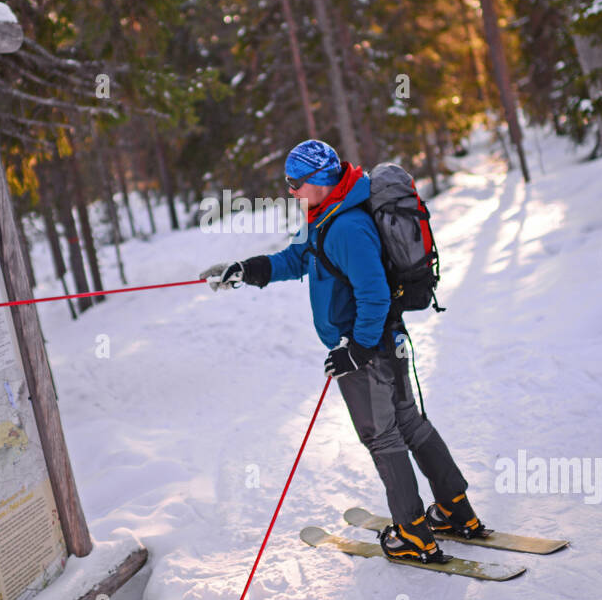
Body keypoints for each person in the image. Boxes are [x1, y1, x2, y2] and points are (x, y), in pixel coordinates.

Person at [201, 139, 481, 563]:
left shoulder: (346, 226)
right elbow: (299, 258)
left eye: (295, 182)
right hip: (385, 342)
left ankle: (412, 534)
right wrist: (246, 269)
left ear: (317, 180)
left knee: (382, 436)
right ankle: (455, 510)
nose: (291, 191)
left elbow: (374, 292)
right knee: (409, 424)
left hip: (367, 349)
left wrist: (358, 349)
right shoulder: (328, 214)